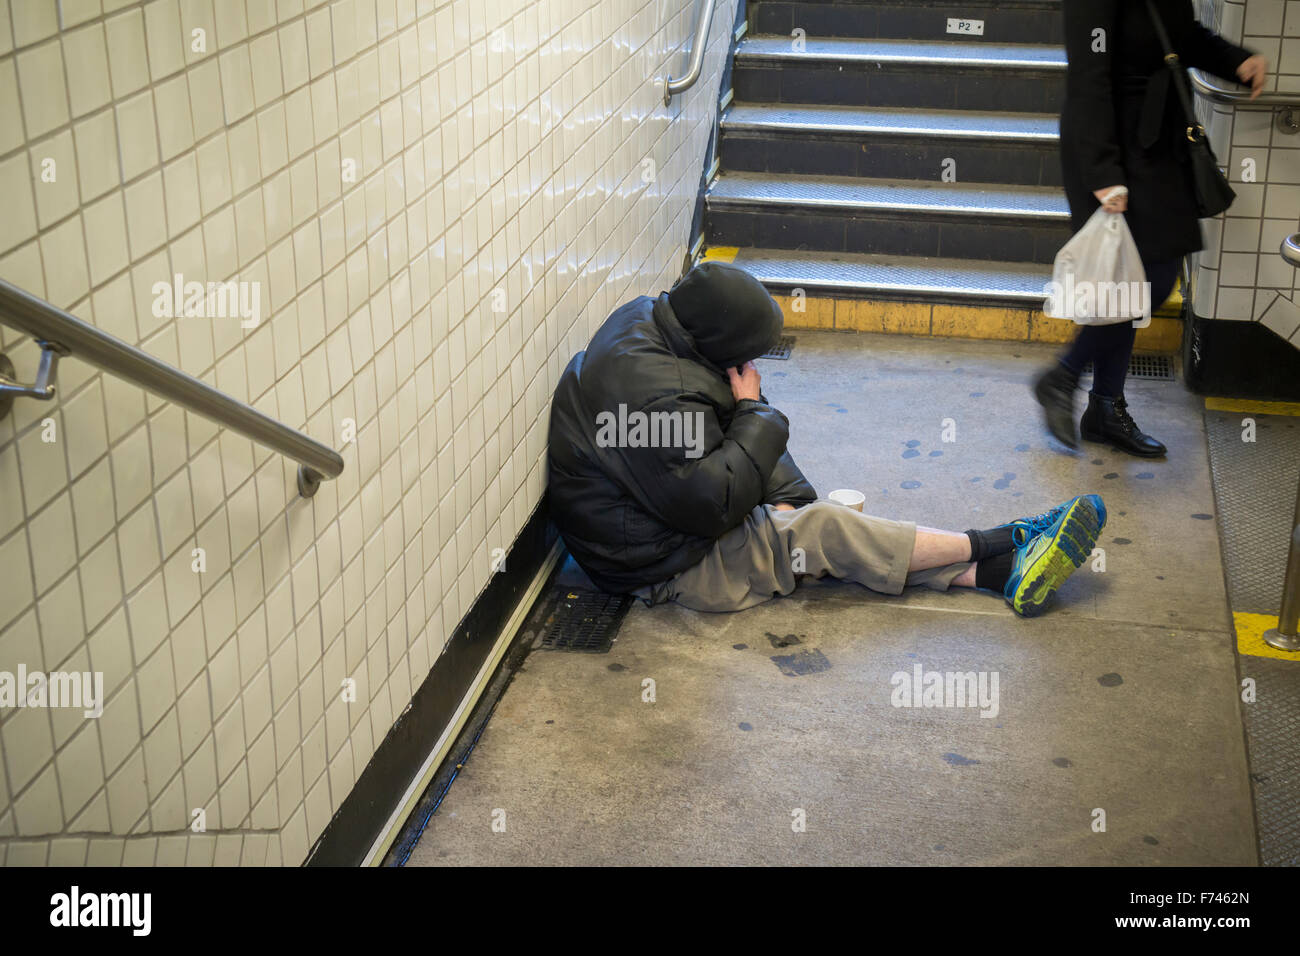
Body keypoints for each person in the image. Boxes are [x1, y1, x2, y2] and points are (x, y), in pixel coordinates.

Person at [547, 262, 1105, 617]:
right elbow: (711, 503)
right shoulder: (658, 399)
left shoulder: (656, 325)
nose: (748, 365)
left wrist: (784, 491)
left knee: (816, 531)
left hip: (652, 526)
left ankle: (996, 574)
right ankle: (1001, 540)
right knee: (825, 529)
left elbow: (714, 444)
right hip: (661, 569)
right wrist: (754, 410)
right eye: (744, 353)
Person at [1034, 0, 1266, 457]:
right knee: (1146, 279)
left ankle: (1102, 405)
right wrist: (1103, 171)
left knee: (1137, 281)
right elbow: (1089, 76)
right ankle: (1065, 375)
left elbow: (1178, 34)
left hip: (1157, 142)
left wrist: (1234, 59)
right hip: (1110, 142)